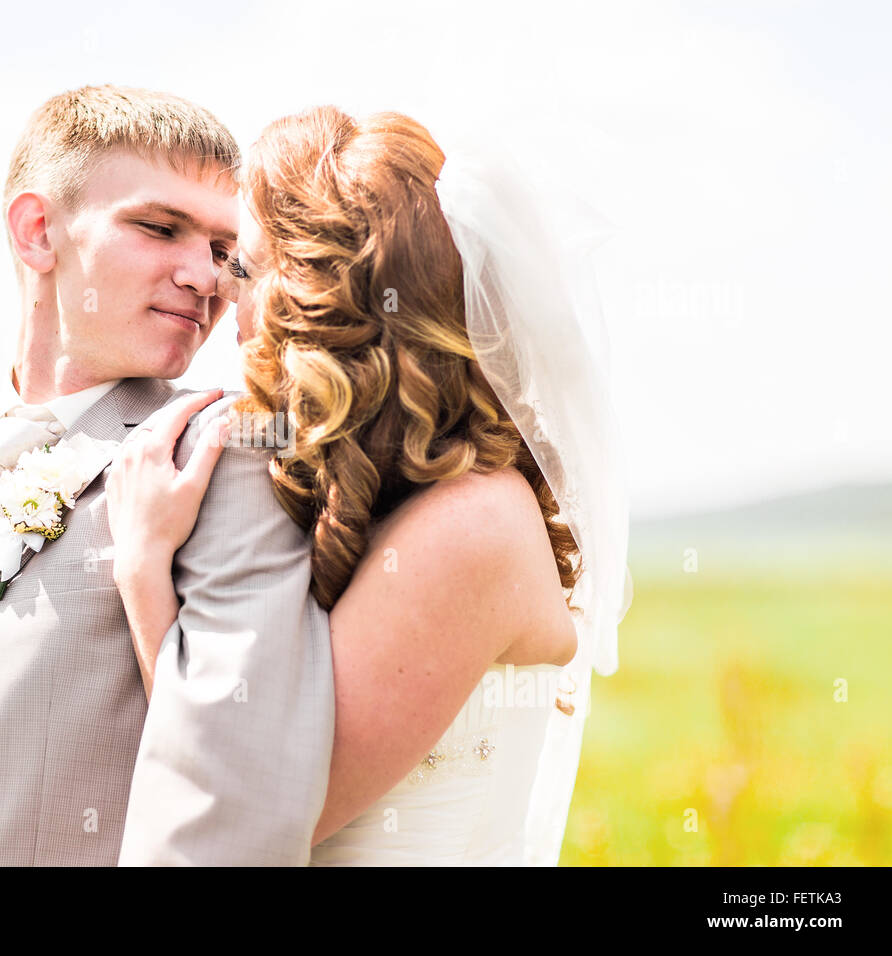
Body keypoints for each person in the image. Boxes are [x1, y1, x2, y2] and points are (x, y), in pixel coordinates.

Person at [0, 85, 335, 866]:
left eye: (227, 252)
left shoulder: (228, 458)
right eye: (161, 228)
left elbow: (242, 785)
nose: (207, 277)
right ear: (36, 231)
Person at [106, 105, 632, 865]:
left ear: (319, 299)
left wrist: (141, 569)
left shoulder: (474, 524)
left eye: (246, 267)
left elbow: (242, 815)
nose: (224, 303)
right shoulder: (333, 478)